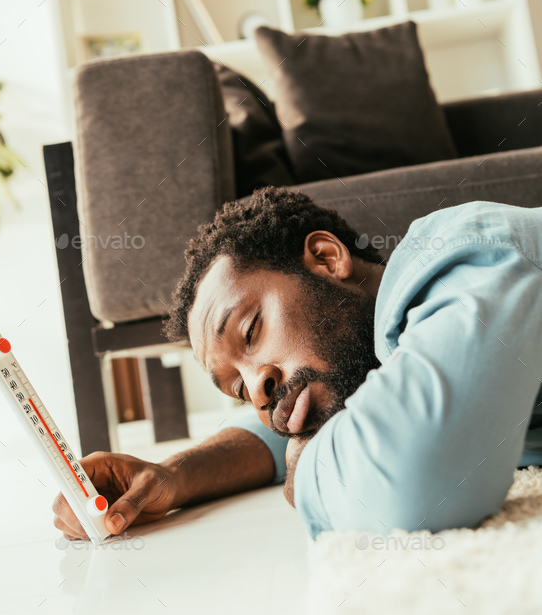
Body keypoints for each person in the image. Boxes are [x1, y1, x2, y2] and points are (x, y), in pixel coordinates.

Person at [53, 187, 542, 541]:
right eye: (240, 390)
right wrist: (173, 475)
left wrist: (305, 477)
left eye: (250, 331)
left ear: (328, 258)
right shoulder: (383, 356)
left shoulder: (466, 255)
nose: (259, 390)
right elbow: (276, 433)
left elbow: (416, 480)